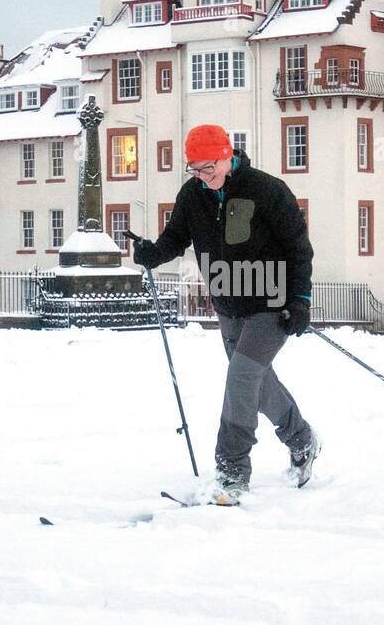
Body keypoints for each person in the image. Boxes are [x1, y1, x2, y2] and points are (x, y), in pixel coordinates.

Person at [132, 124, 320, 499]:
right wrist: (152, 253)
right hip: (229, 305)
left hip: (272, 304)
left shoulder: (267, 190)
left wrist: (300, 300)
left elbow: (299, 247)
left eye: (208, 167)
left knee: (241, 379)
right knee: (257, 383)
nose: (204, 176)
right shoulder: (193, 195)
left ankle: (232, 471)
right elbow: (177, 237)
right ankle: (302, 440)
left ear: (226, 155)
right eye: (195, 170)